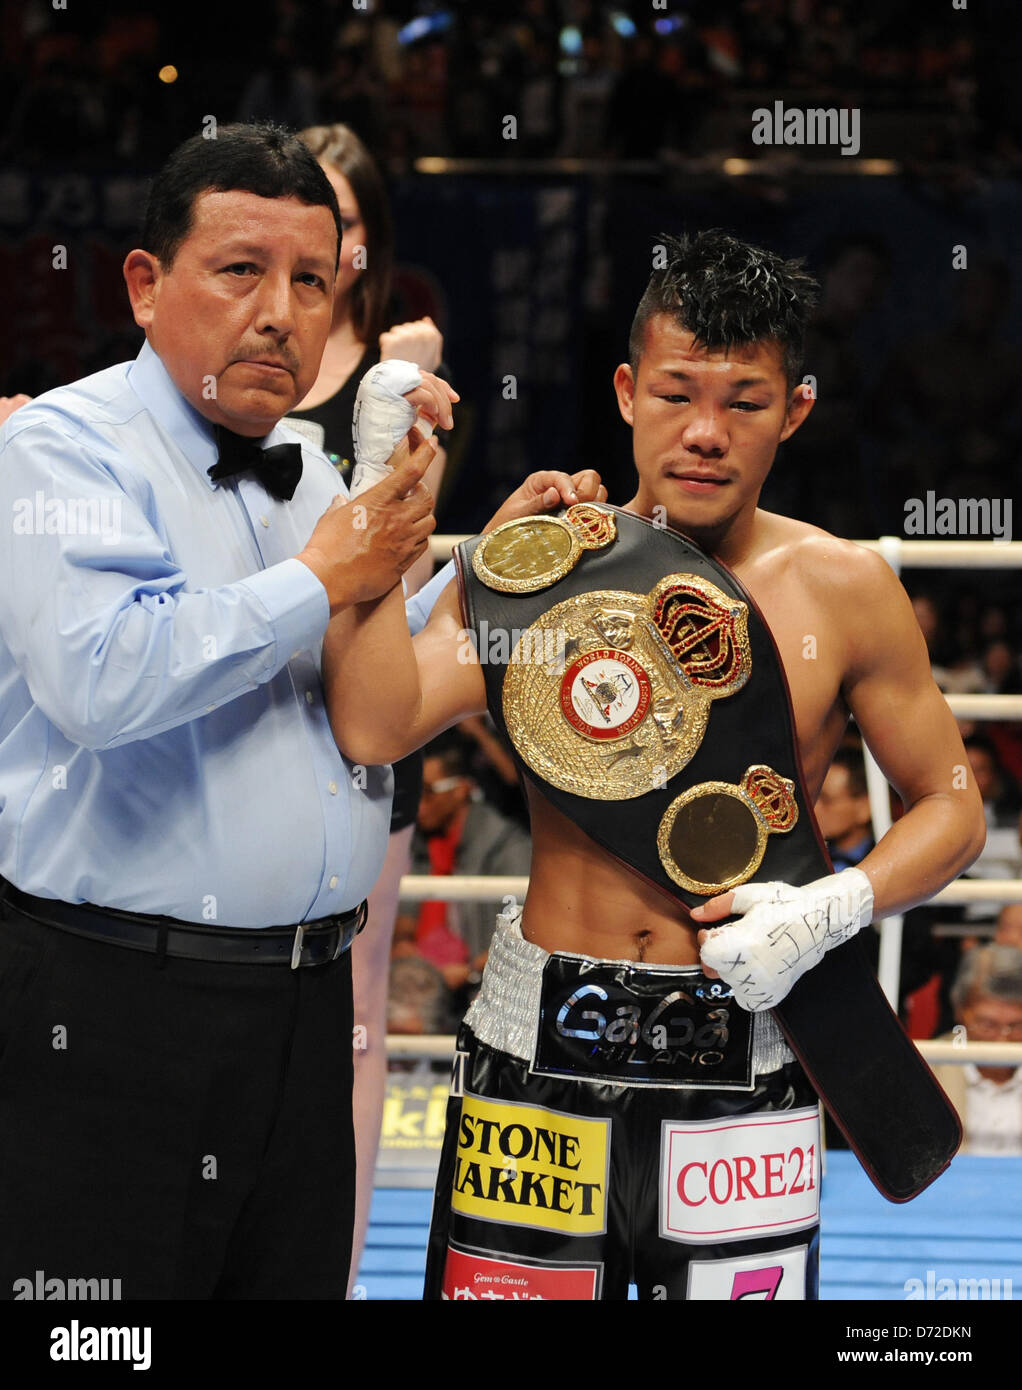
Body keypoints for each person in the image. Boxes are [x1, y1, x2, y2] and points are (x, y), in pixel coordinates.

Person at [322, 230, 985, 1300]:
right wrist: (378, 492)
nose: (706, 434)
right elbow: (373, 722)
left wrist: (832, 908)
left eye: (745, 401)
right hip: (541, 1044)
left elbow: (949, 807)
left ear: (796, 409)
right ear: (626, 391)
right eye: (677, 394)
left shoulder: (845, 585)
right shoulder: (541, 562)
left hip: (749, 1041)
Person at [0, 120, 463, 1300]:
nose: (281, 312)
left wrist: (511, 560)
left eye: (312, 280)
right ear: (147, 287)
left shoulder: (310, 473)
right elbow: (105, 678)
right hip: (110, 1015)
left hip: (300, 1016)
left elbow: (374, 696)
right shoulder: (61, 447)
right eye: (241, 270)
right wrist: (324, 576)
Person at [289, 121, 450, 1297]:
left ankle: (334, 1279)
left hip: (349, 712)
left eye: (344, 221)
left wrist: (403, 402)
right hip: (223, 706)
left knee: (353, 1002)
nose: (326, 241)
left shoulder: (399, 368)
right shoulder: (226, 356)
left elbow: (405, 546)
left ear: (369, 240)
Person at [931, 945, 1022, 1155]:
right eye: (987, 1024)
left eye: (1017, 1026)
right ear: (960, 1010)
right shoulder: (926, 1069)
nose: (1002, 1040)